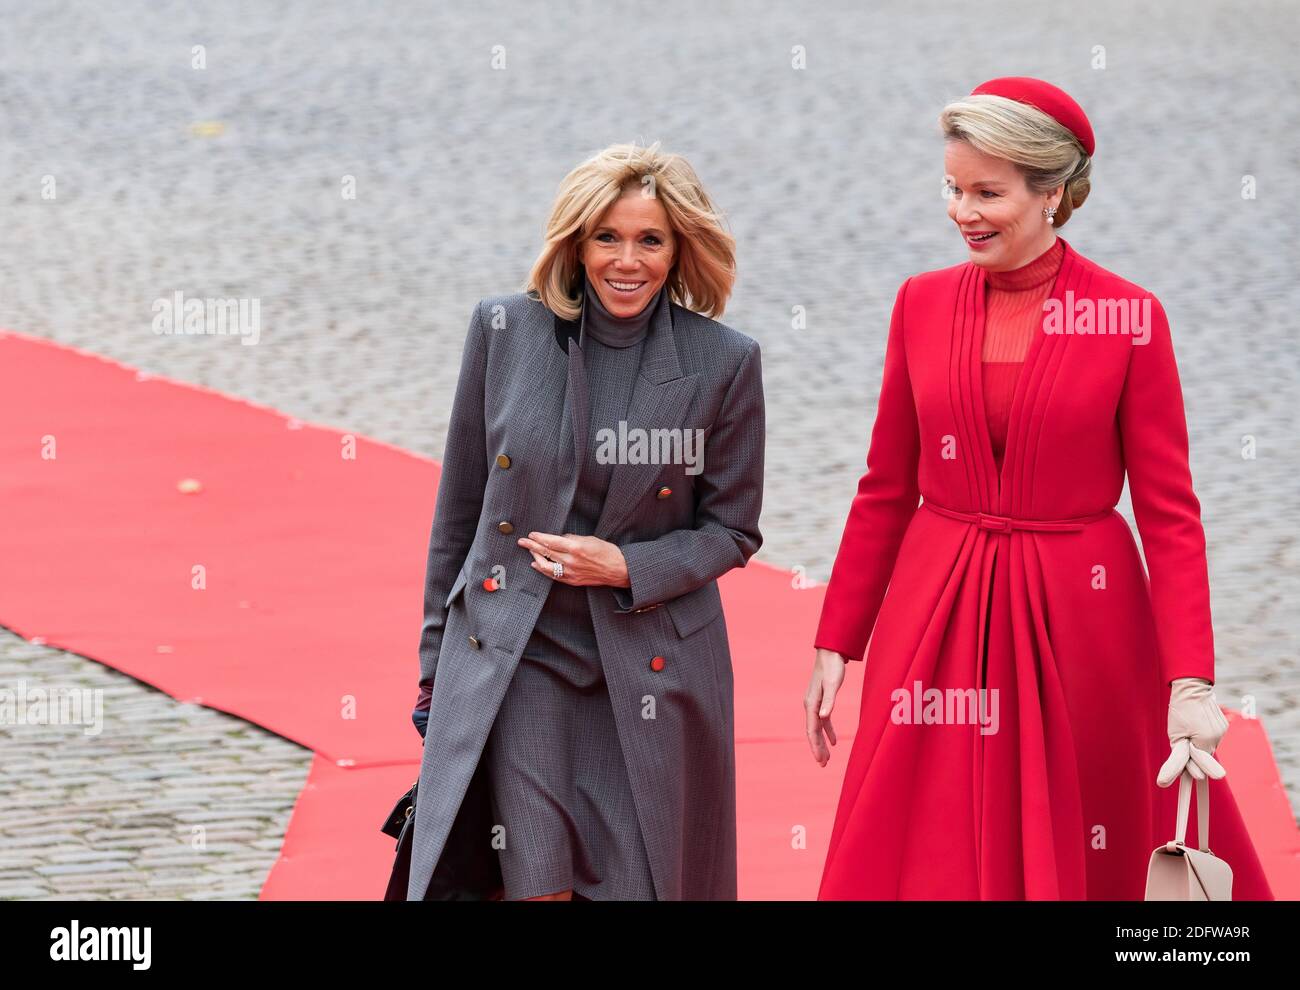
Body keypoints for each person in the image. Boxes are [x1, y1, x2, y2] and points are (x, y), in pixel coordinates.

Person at [806, 77, 1273, 899]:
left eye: (988, 192)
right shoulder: (918, 303)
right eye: (953, 188)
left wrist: (1191, 680)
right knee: (923, 836)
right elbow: (885, 487)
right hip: (935, 609)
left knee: (1090, 827)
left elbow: (1170, 515)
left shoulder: (1130, 316)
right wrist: (837, 638)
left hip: (1082, 617)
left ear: (1052, 192)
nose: (963, 212)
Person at [406, 142, 765, 901]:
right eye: (607, 237)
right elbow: (460, 514)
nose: (626, 260)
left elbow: (733, 530)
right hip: (522, 657)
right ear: (575, 241)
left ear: (680, 248)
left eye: (650, 240)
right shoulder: (504, 330)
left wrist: (628, 568)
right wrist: (437, 673)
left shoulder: (724, 362)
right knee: (535, 879)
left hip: (647, 661)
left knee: (640, 883)